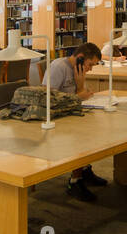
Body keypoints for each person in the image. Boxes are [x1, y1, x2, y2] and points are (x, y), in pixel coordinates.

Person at [44, 42, 108, 202]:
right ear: (80, 58)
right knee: (81, 134)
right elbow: (46, 98)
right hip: (53, 118)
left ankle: (85, 170)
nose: (91, 69)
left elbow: (78, 94)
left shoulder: (77, 70)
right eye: (90, 64)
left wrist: (80, 87)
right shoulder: (59, 67)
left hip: (68, 114)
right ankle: (75, 181)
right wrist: (79, 96)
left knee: (94, 126)